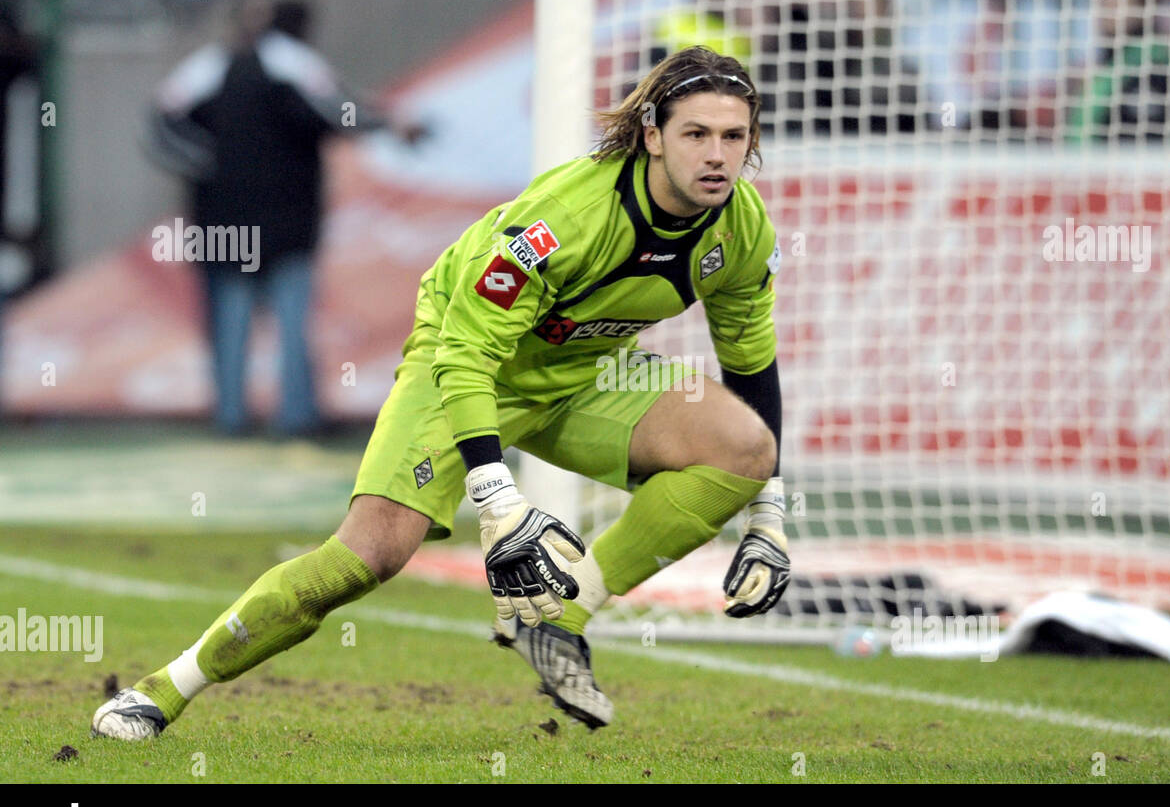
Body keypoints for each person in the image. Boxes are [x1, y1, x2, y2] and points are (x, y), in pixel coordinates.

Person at [93, 46, 789, 736]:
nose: (717, 156)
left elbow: (751, 365)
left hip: (585, 372)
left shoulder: (743, 226)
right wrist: (497, 500)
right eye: (697, 134)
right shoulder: (569, 217)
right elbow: (467, 351)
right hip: (460, 364)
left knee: (742, 448)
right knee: (365, 559)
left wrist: (769, 518)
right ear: (653, 136)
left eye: (734, 136)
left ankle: (559, 621)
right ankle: (164, 689)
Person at [146, 0, 420, 437]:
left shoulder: (204, 70)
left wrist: (209, 167)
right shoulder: (293, 65)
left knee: (232, 325)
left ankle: (232, 419)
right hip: (286, 220)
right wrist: (391, 125)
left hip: (224, 223)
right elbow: (340, 111)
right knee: (289, 324)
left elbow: (159, 128)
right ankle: (295, 418)